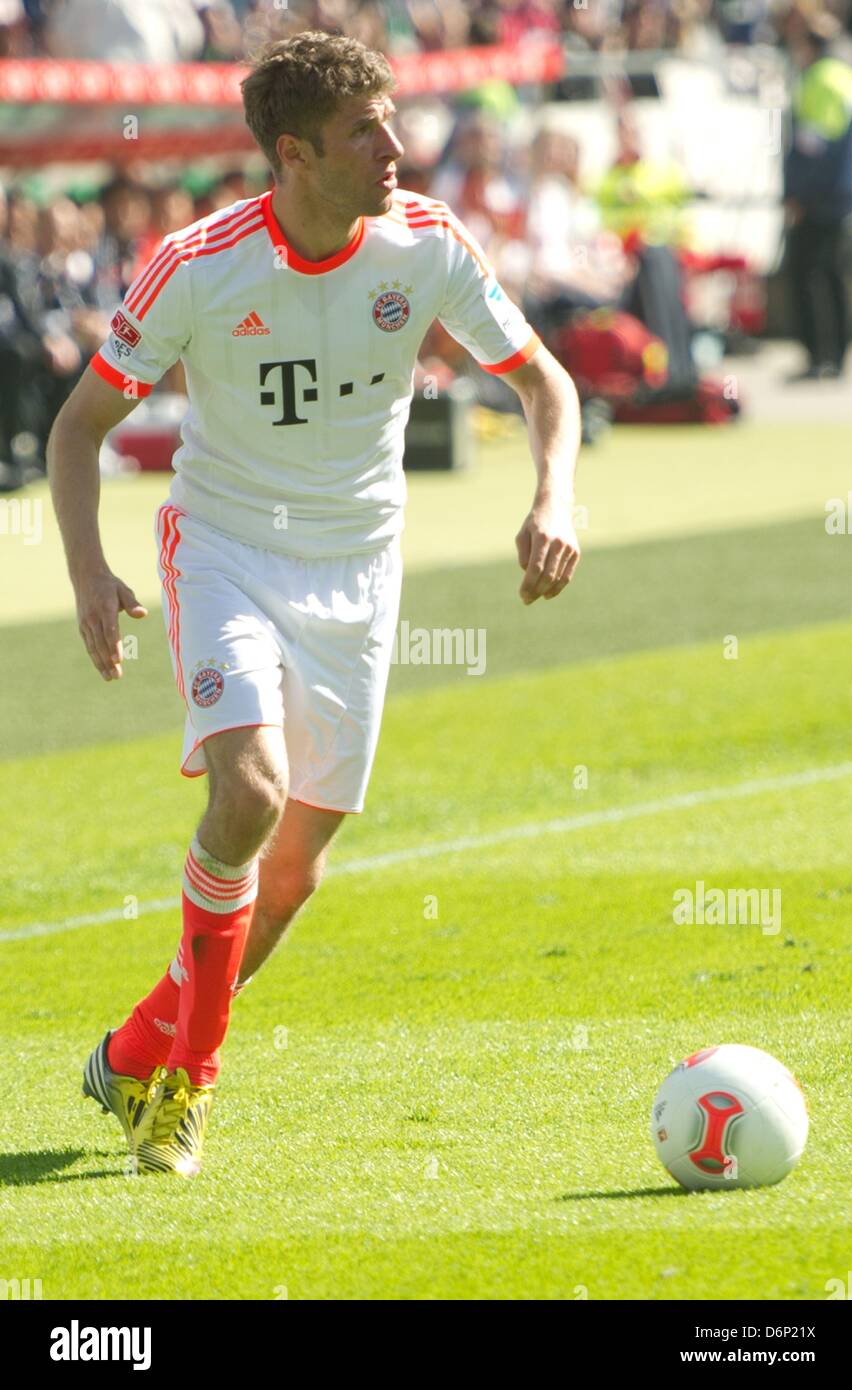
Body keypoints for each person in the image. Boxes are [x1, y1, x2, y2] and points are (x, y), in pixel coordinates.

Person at [47, 30, 581, 1178]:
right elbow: (77, 426)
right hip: (225, 548)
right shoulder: (199, 262)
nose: (397, 146)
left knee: (290, 876)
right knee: (247, 793)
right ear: (293, 155)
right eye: (365, 132)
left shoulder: (425, 243)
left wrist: (556, 495)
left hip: (358, 571)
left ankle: (135, 1050)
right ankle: (187, 1085)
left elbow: (543, 379)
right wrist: (89, 571)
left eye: (391, 121)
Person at [782, 10, 852, 379]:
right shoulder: (848, 78)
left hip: (820, 198)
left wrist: (798, 194)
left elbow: (814, 146)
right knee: (834, 278)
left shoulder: (818, 80)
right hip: (845, 195)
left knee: (809, 276)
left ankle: (819, 358)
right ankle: (838, 357)